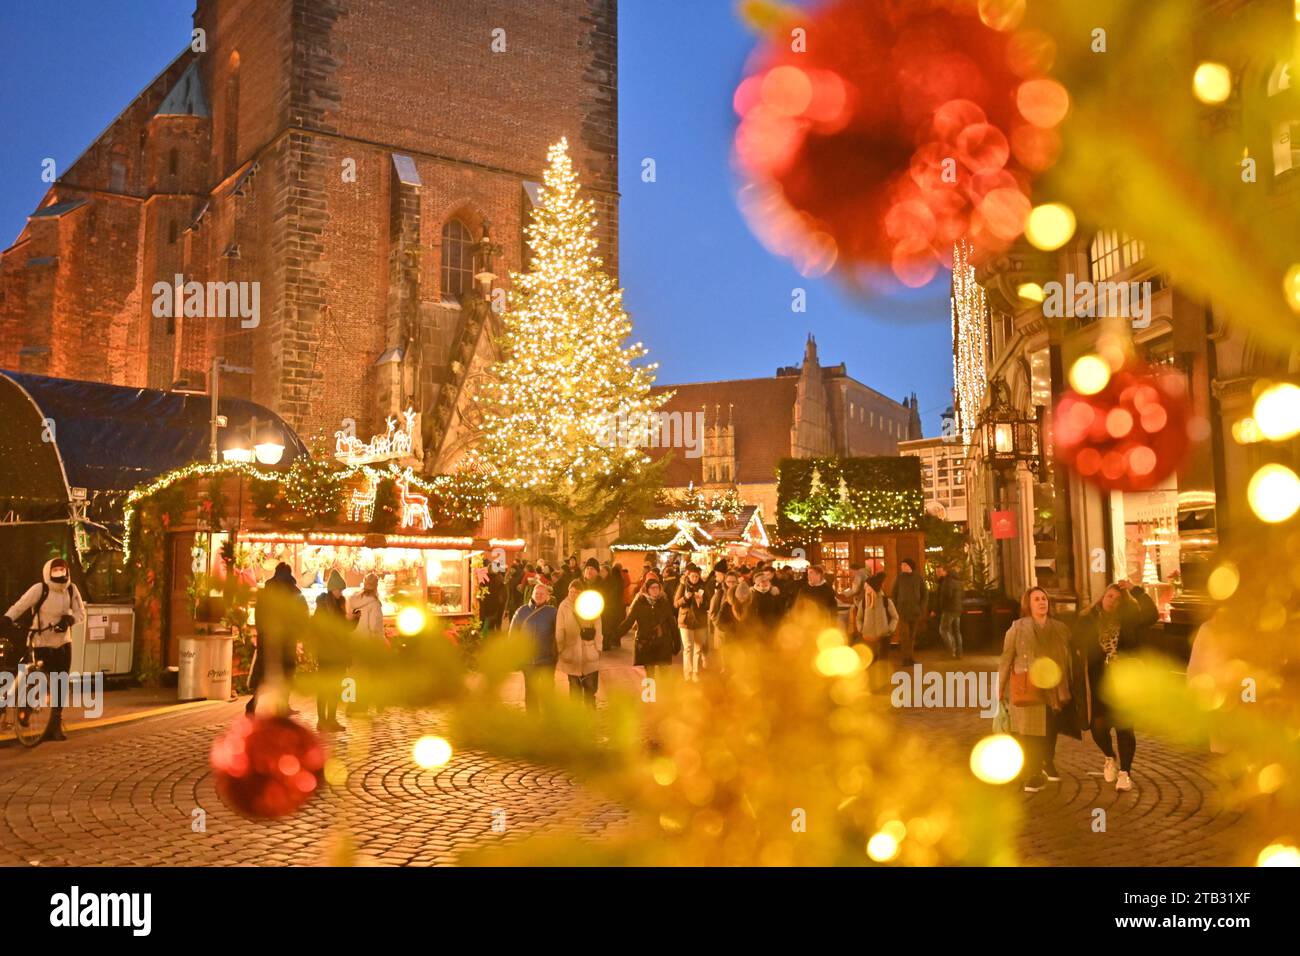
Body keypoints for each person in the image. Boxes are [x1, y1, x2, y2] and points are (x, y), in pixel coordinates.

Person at [1072, 580, 1158, 792]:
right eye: (1109, 596)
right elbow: (1074, 644)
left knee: (1124, 728)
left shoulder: (1128, 620)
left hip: (1123, 683)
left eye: (1118, 599)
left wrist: (1135, 589)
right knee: (1098, 728)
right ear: (1102, 598)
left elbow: (1152, 614)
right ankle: (1109, 757)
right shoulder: (1087, 620)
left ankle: (1125, 773)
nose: (1112, 601)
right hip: (1098, 682)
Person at [998, 586, 1074, 793]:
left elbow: (1070, 657)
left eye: (1044, 599)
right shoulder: (1018, 627)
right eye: (1036, 599)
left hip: (1054, 686)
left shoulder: (1060, 628)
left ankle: (1048, 762)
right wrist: (1000, 688)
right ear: (1028, 604)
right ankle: (1033, 773)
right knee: (1031, 732)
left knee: (1050, 730)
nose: (1042, 602)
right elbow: (1006, 659)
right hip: (1028, 686)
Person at [3, 557, 86, 741]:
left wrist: (69, 620)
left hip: (63, 643)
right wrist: (7, 619)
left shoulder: (71, 590)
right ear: (48, 571)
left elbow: (81, 613)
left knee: (60, 684)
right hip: (40, 641)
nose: (59, 574)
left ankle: (55, 726)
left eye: (62, 570)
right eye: (55, 570)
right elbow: (20, 605)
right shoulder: (40, 589)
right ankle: (25, 709)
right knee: (37, 680)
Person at [246, 562, 307, 716]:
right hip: (286, 640)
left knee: (267, 675)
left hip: (268, 641)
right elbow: (301, 614)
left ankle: (253, 706)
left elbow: (259, 617)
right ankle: (281, 705)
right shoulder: (293, 591)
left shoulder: (266, 592)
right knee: (286, 673)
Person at [611, 578, 678, 678]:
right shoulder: (639, 604)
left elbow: (672, 624)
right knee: (650, 676)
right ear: (647, 589)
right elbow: (629, 622)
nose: (655, 590)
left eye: (657, 587)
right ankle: (652, 693)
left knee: (665, 675)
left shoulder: (664, 603)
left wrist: (677, 643)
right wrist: (616, 635)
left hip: (662, 643)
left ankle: (665, 693)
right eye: (652, 588)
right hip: (647, 644)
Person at [311, 570, 352, 732]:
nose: (340, 592)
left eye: (341, 590)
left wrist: (354, 620)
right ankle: (322, 721)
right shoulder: (323, 606)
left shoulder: (340, 605)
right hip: (327, 652)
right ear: (331, 589)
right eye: (338, 589)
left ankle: (331, 719)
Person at [509, 583, 557, 714]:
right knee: (531, 691)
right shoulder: (521, 611)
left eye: (542, 594)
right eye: (537, 593)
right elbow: (513, 634)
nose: (539, 596)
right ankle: (533, 719)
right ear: (532, 595)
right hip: (528, 660)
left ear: (548, 596)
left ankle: (550, 717)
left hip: (547, 659)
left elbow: (560, 633)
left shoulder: (553, 612)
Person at [556, 581, 602, 705]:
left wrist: (598, 647)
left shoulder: (590, 604)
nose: (573, 594)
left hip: (589, 649)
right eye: (571, 592)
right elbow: (560, 629)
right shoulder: (563, 606)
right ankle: (576, 718)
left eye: (576, 592)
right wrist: (559, 648)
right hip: (571, 651)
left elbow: (598, 627)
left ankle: (590, 716)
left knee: (590, 689)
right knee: (574, 688)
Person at [674, 563, 709, 681]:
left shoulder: (703, 587)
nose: (694, 579)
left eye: (697, 576)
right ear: (688, 576)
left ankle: (696, 672)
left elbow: (709, 604)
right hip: (686, 621)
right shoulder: (682, 586)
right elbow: (676, 603)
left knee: (698, 648)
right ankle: (687, 673)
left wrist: (702, 601)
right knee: (688, 647)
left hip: (700, 622)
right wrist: (686, 598)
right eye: (692, 576)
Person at [891, 559, 928, 667]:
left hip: (915, 611)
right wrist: (896, 607)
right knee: (904, 635)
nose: (902, 567)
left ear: (909, 566)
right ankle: (905, 658)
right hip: (902, 611)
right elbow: (894, 593)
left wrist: (921, 608)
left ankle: (910, 657)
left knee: (912, 636)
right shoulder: (899, 578)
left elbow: (924, 593)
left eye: (904, 565)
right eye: (902, 565)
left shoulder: (918, 578)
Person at [707, 569, 744, 670]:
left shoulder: (741, 593)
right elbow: (713, 612)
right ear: (725, 582)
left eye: (733, 582)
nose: (731, 584)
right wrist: (719, 625)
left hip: (737, 630)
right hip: (723, 630)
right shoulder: (720, 594)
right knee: (725, 657)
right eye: (729, 582)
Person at [857, 571, 897, 661]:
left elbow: (895, 617)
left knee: (883, 663)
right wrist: (861, 629)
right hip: (868, 639)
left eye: (867, 586)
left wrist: (889, 630)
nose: (865, 588)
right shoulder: (863, 602)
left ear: (873, 587)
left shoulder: (886, 601)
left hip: (883, 638)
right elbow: (859, 618)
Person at [735, 568, 786, 635]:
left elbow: (779, 611)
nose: (765, 583)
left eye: (766, 580)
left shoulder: (774, 593)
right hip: (756, 628)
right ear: (758, 583)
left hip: (771, 628)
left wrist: (778, 624)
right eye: (762, 581)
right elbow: (748, 612)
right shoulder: (752, 594)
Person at [935, 564, 965, 659]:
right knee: (956, 631)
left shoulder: (947, 582)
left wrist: (940, 607)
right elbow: (963, 595)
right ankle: (959, 653)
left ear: (945, 572)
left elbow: (946, 596)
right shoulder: (958, 581)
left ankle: (950, 651)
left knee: (943, 629)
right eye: (936, 572)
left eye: (939, 571)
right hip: (957, 609)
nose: (937, 574)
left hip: (949, 609)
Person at [350, 572, 386, 644]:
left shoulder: (354, 598)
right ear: (376, 585)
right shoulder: (375, 604)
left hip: (354, 641)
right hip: (368, 644)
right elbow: (374, 627)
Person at [600, 562, 626, 650]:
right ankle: (615, 641)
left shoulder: (611, 581)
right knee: (613, 625)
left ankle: (608, 644)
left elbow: (610, 594)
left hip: (609, 607)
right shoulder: (620, 580)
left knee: (607, 627)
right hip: (617, 607)